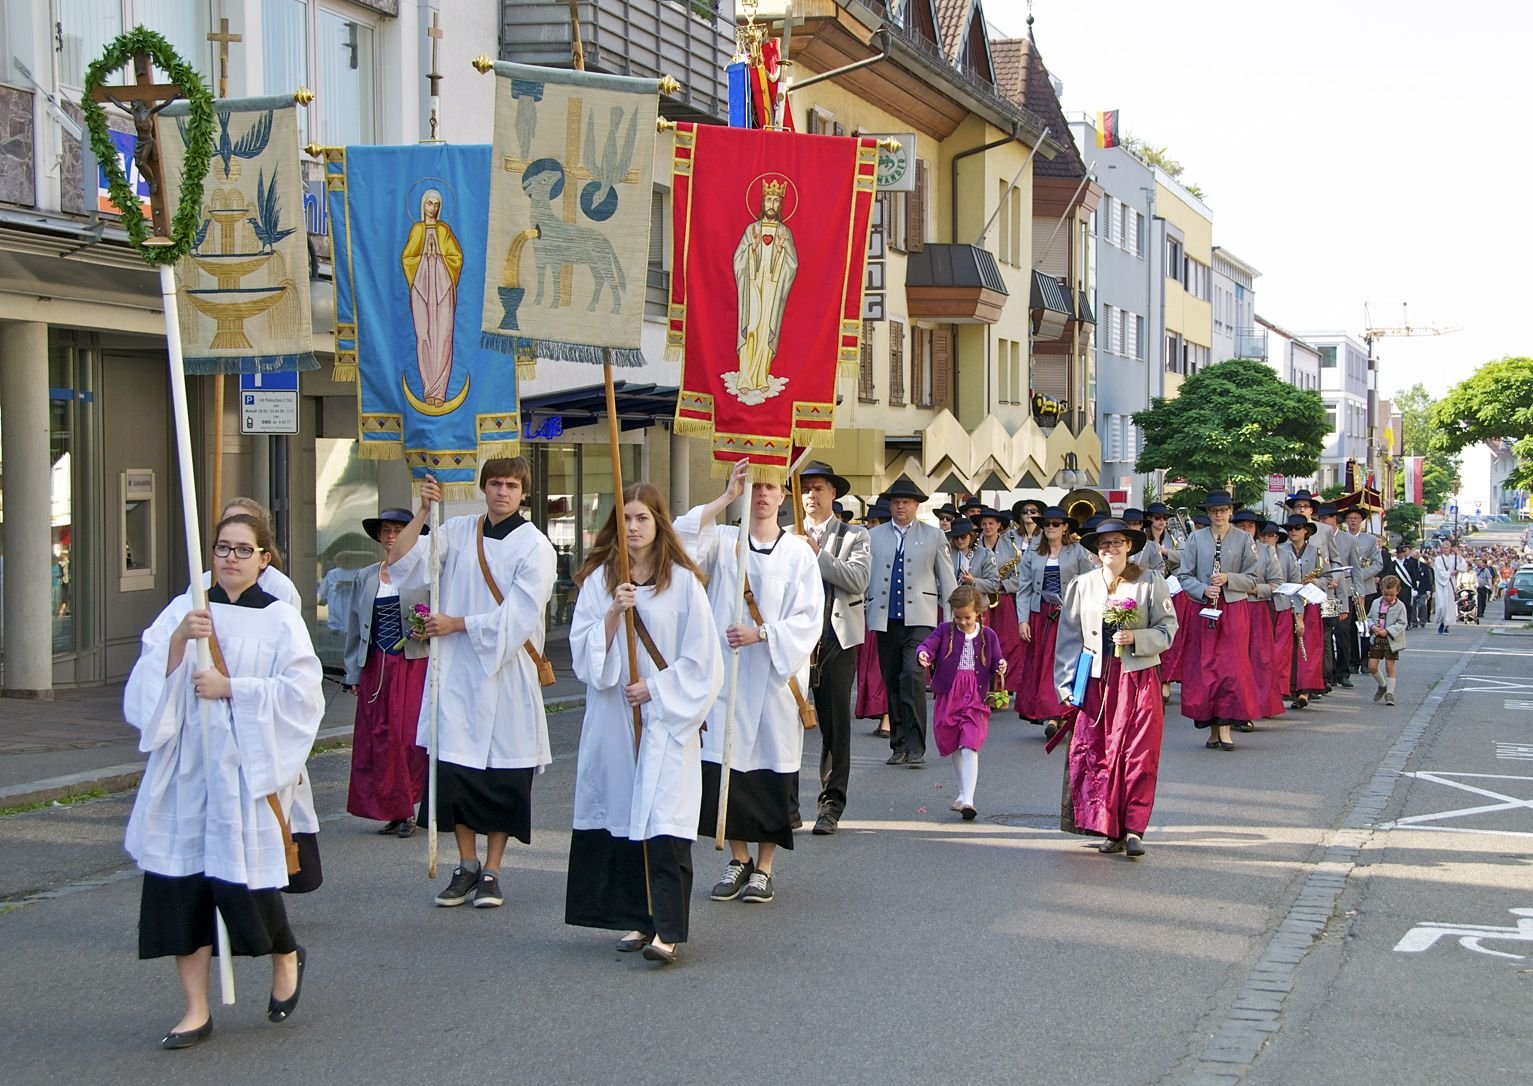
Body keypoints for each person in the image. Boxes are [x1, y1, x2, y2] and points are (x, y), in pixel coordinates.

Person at [124, 512, 323, 1049]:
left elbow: (303, 694)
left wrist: (233, 686)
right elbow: (144, 691)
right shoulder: (186, 609)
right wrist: (176, 647)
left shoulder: (281, 619)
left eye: (242, 550)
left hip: (243, 767)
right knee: (180, 886)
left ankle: (285, 956)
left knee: (248, 886)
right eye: (222, 549)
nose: (230, 559)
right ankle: (194, 1009)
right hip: (187, 766)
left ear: (264, 558)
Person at [565, 484, 722, 965]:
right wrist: (614, 611)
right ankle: (636, 915)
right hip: (615, 720)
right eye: (626, 518)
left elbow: (704, 662)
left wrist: (655, 689)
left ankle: (668, 930)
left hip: (666, 723)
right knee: (622, 814)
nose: (633, 527)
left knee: (663, 820)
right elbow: (584, 655)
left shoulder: (684, 584)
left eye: (642, 518)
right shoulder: (600, 582)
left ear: (659, 524)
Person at [388, 461, 556, 909]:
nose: (503, 491)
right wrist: (423, 511)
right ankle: (465, 864)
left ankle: (493, 870)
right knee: (457, 774)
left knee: (503, 776)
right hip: (458, 674)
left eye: (513, 485)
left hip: (507, 675)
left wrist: (457, 623)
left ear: (524, 493)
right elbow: (402, 565)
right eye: (496, 483)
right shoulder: (458, 530)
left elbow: (519, 615)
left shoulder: (536, 546)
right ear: (483, 488)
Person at [678, 459, 821, 905]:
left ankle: (764, 866)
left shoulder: (798, 552)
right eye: (754, 487)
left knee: (770, 774)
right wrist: (722, 499)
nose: (761, 495)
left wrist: (762, 634)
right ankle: (736, 858)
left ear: (783, 496)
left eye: (770, 488)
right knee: (728, 771)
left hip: (775, 681)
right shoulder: (724, 541)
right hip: (729, 680)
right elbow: (679, 541)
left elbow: (809, 618)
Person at [1053, 517, 1177, 857]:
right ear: (1096, 551)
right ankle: (1109, 828)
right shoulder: (1082, 585)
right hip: (1096, 679)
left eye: (1117, 543)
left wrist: (1137, 637)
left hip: (1137, 677)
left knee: (1138, 753)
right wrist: (1065, 683)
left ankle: (1134, 827)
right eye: (1104, 544)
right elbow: (1068, 637)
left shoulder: (1150, 581)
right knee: (1099, 752)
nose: (1110, 549)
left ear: (1129, 547)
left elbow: (1168, 629)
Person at [793, 461, 872, 836]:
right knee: (785, 722)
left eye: (818, 488)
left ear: (833, 494)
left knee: (834, 727)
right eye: (805, 488)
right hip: (795, 641)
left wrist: (815, 553)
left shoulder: (854, 536)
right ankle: (786, 803)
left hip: (836, 640)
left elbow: (857, 580)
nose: (811, 495)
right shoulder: (785, 534)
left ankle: (831, 805)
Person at [341, 508, 429, 837]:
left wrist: (428, 628)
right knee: (377, 739)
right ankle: (392, 809)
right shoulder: (365, 576)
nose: (392, 536)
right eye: (386, 531)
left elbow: (442, 614)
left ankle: (407, 808)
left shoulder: (424, 573)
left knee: (406, 739)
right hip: (375, 665)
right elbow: (355, 626)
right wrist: (353, 673)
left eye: (398, 530)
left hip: (411, 663)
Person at [865, 475, 957, 766]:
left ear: (916, 505)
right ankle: (898, 744)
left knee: (913, 674)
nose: (900, 506)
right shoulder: (873, 536)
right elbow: (864, 577)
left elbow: (948, 581)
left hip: (921, 619)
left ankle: (916, 744)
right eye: (895, 502)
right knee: (892, 679)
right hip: (885, 617)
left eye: (905, 502)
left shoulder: (933, 536)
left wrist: (952, 624)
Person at [1178, 491, 1264, 751]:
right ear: (1208, 513)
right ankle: (1212, 729)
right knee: (1206, 668)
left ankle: (1226, 729)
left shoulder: (1243, 539)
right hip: (1204, 608)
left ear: (1230, 511)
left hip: (1234, 609)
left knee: (1230, 668)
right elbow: (1184, 575)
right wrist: (1202, 589)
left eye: (1223, 510)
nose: (1219, 514)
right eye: (1214, 510)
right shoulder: (1195, 538)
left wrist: (1228, 578)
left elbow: (1252, 578)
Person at [916, 585, 1006, 820]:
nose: (963, 622)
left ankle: (969, 799)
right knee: (954, 742)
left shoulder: (989, 635)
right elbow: (927, 645)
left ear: (978, 613)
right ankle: (962, 791)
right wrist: (923, 654)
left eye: (968, 617)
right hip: (949, 693)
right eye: (958, 618)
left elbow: (997, 659)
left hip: (976, 695)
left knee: (970, 743)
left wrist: (1001, 665)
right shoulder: (945, 630)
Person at [1014, 506, 1093, 739]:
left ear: (1065, 527)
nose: (1050, 527)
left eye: (1056, 524)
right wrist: (1022, 620)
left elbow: (1089, 583)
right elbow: (1024, 589)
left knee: (1065, 664)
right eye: (1047, 524)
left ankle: (1060, 713)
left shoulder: (1077, 551)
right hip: (1041, 616)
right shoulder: (1032, 554)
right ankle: (1052, 714)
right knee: (1043, 665)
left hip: (1069, 616)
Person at [732, 178, 799, 400]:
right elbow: (738, 259)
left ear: (781, 205)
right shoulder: (751, 229)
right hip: (752, 285)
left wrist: (781, 251)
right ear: (763, 202)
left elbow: (793, 264)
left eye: (776, 201)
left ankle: (761, 377)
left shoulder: (784, 233)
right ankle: (745, 378)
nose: (772, 204)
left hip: (772, 287)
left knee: (765, 332)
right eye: (768, 199)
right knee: (751, 328)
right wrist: (751, 247)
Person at [402, 190, 463, 406]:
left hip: (443, 288)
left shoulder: (444, 230)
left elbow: (456, 257)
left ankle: (440, 391)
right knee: (424, 336)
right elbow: (407, 258)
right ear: (423, 205)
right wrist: (422, 257)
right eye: (430, 204)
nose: (433, 208)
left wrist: (438, 255)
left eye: (437, 204)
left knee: (444, 337)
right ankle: (428, 388)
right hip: (421, 287)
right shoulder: (417, 229)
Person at [1277, 515, 1328, 710]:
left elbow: (1327, 578)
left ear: (1306, 530)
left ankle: (1305, 690)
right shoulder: (1281, 551)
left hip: (1308, 603)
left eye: (1297, 527)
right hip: (1286, 601)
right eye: (1289, 528)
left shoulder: (1317, 552)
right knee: (1285, 647)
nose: (1293, 531)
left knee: (1309, 646)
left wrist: (1314, 581)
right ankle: (1286, 687)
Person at [979, 506, 1027, 702]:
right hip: (981, 599)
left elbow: (1022, 577)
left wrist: (1001, 586)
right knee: (981, 644)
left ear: (999, 526)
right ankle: (983, 687)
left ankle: (1002, 688)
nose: (987, 527)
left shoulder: (1011, 548)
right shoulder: (975, 546)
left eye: (991, 523)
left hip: (1003, 599)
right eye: (984, 524)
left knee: (1007, 643)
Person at [855, 499, 892, 738]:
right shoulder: (865, 543)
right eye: (868, 521)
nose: (869, 525)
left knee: (882, 667)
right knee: (868, 668)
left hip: (887, 612)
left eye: (874, 521)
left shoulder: (889, 544)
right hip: (866, 610)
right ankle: (881, 715)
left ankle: (888, 716)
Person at [1317, 504, 1358, 687]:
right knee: (1325, 635)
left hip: (1340, 591)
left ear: (1335, 519)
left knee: (1342, 632)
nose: (1323, 521)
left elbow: (1351, 569)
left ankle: (1343, 672)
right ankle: (1328, 673)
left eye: (1326, 518)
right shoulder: (1315, 534)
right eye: (1321, 518)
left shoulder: (1348, 540)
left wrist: (1356, 595)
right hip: (1321, 591)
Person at [1343, 508, 1383, 664]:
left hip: (1366, 587)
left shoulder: (1370, 540)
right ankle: (1352, 660)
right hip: (1347, 587)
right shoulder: (1341, 539)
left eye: (1356, 518)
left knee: (1365, 624)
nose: (1353, 521)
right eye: (1350, 518)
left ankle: (1366, 659)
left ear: (1361, 520)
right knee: (1349, 626)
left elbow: (1378, 563)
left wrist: (1361, 574)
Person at [1365, 574, 1408, 707]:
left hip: (1391, 639)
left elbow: (1402, 623)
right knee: (1372, 666)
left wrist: (1388, 630)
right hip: (1377, 638)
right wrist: (1372, 626)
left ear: (1397, 592)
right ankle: (1382, 685)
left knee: (1390, 666)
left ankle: (1390, 692)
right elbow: (1369, 617)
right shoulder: (1376, 603)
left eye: (1391, 595)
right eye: (1385, 594)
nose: (1388, 598)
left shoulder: (1400, 606)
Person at [949, 519, 999, 603]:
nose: (959, 540)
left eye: (963, 536)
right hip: (952, 605)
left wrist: (973, 581)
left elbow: (994, 585)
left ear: (971, 535)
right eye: (956, 537)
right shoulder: (947, 554)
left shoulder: (985, 554)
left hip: (977, 606)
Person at [1432, 543, 1465, 635]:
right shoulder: (1438, 559)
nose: (1445, 549)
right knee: (1442, 605)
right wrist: (1450, 573)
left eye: (1447, 548)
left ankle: (1446, 626)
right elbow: (1439, 572)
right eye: (1443, 548)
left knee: (1449, 606)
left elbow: (1462, 566)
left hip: (1451, 584)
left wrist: (1458, 552)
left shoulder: (1453, 558)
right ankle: (1441, 622)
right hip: (1442, 585)